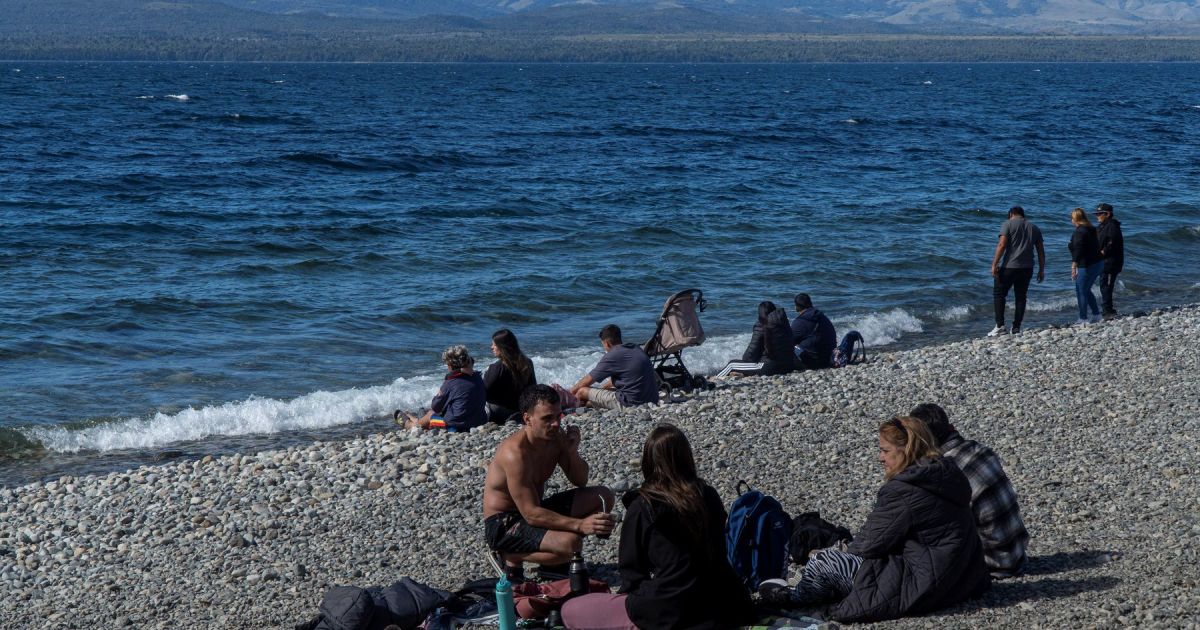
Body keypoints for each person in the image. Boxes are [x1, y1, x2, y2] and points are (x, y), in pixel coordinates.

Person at [760, 416, 989, 623]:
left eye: (885, 451)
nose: (880, 458)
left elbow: (869, 544)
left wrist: (837, 553)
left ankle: (793, 597)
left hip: (925, 582)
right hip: (960, 578)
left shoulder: (906, 489)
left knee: (826, 561)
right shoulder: (946, 474)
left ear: (907, 450)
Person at [561, 424, 753, 630]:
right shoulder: (708, 495)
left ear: (649, 461)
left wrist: (640, 600)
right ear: (687, 458)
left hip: (671, 607)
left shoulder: (644, 505)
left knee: (571, 609)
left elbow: (632, 572)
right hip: (724, 601)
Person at [482, 385, 615, 583]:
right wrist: (580, 525)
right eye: (546, 419)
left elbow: (580, 480)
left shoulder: (556, 437)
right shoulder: (516, 454)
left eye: (558, 417)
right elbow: (531, 513)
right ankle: (511, 555)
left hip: (534, 510)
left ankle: (551, 560)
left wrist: (571, 452)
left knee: (603, 496)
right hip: (505, 523)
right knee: (571, 544)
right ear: (527, 419)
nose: (554, 424)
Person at [909, 403, 1029, 578]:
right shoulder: (980, 450)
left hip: (991, 563)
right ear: (950, 427)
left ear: (924, 440)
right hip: (1015, 554)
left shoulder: (946, 471)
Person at [570, 324, 659, 410]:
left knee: (582, 391)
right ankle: (588, 404)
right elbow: (621, 380)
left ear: (607, 343)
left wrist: (568, 394)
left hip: (632, 403)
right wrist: (601, 390)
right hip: (652, 400)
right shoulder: (635, 348)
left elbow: (586, 381)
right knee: (592, 398)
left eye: (603, 345)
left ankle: (569, 408)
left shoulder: (613, 355)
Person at [401, 345, 487, 431]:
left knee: (430, 415)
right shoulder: (477, 377)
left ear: (449, 365)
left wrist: (440, 393)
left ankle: (412, 425)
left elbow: (436, 407)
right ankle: (417, 418)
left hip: (458, 426)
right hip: (480, 421)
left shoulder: (450, 382)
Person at [989, 206, 1046, 336]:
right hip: (1027, 268)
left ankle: (1000, 325)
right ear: (1022, 214)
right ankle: (1016, 327)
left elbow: (1002, 245)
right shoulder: (1034, 227)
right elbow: (1041, 251)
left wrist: (994, 264)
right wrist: (1041, 270)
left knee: (999, 294)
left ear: (1011, 214)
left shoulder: (1007, 224)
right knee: (1021, 296)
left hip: (1010, 266)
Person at [716, 301, 796, 377]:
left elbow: (752, 352)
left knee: (732, 364)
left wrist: (745, 362)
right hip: (789, 365)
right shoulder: (784, 323)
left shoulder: (762, 325)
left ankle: (715, 379)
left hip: (770, 368)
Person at [483, 329, 537, 424]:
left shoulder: (497, 368)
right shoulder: (527, 363)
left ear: (502, 347)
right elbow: (532, 389)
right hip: (519, 410)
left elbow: (483, 392)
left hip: (499, 412)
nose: (492, 347)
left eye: (494, 345)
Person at [1068, 207, 1104, 325]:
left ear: (1076, 219)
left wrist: (1074, 266)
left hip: (1087, 264)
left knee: (1081, 290)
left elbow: (1078, 249)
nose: (1071, 221)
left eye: (1072, 218)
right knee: (1086, 289)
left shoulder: (1080, 231)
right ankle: (1096, 314)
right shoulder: (1091, 229)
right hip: (1098, 263)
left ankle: (1083, 318)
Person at [791, 293, 837, 370]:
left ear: (796, 307)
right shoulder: (823, 317)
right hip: (828, 359)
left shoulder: (800, 321)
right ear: (810, 303)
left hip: (812, 362)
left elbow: (789, 341)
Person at [1095, 203, 1124, 319]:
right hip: (1103, 262)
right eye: (1096, 214)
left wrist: (1103, 252)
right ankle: (1107, 308)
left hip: (1111, 262)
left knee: (1106, 285)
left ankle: (1108, 310)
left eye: (1099, 214)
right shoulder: (1102, 226)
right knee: (1104, 284)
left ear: (1107, 214)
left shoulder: (1112, 226)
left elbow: (1112, 242)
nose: (1097, 216)